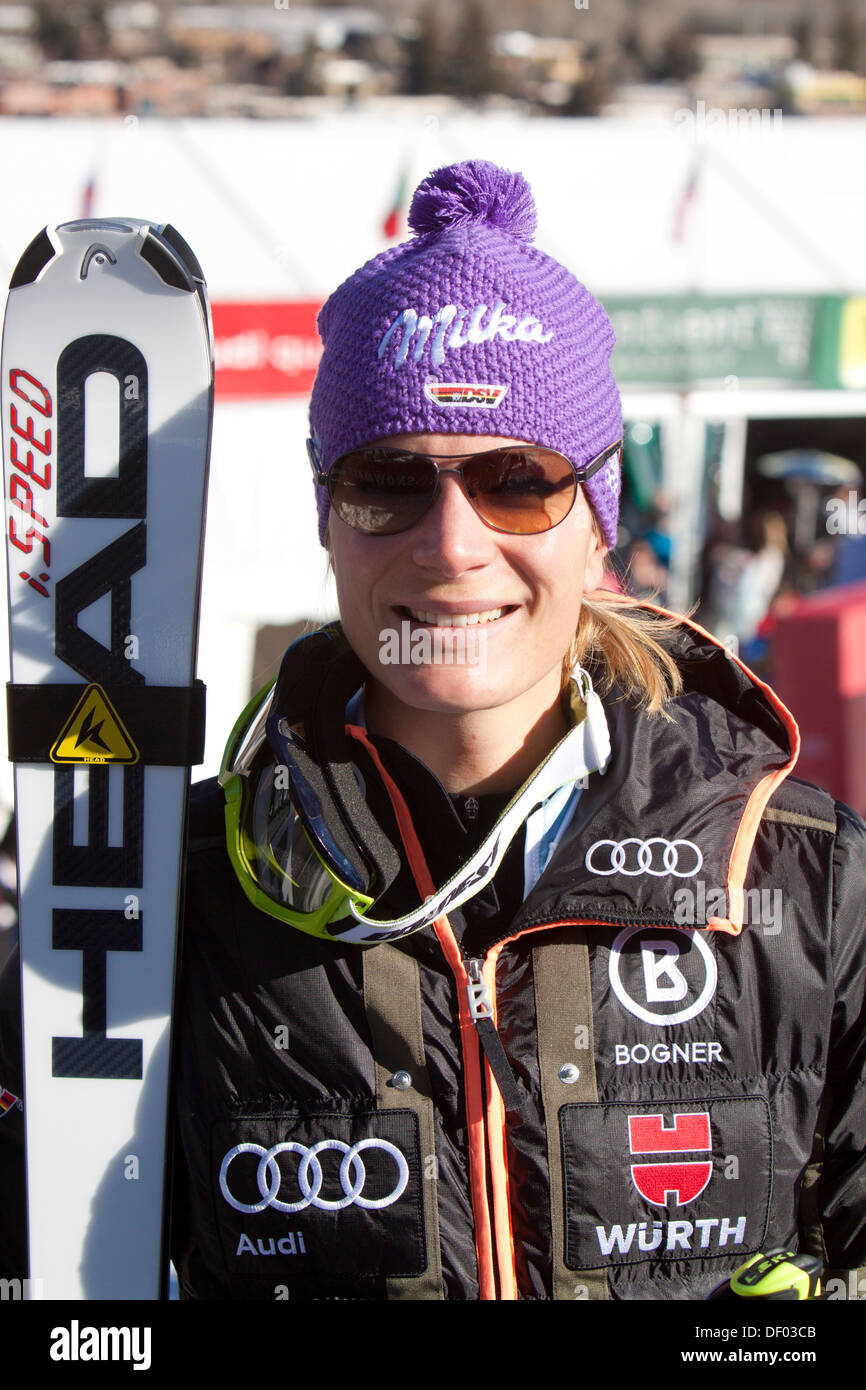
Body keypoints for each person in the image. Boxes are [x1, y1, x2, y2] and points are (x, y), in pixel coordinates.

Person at [3, 159, 866, 1302]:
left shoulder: (804, 883)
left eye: (517, 481)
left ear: (596, 523)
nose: (451, 544)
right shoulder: (171, 898)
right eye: (386, 481)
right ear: (327, 519)